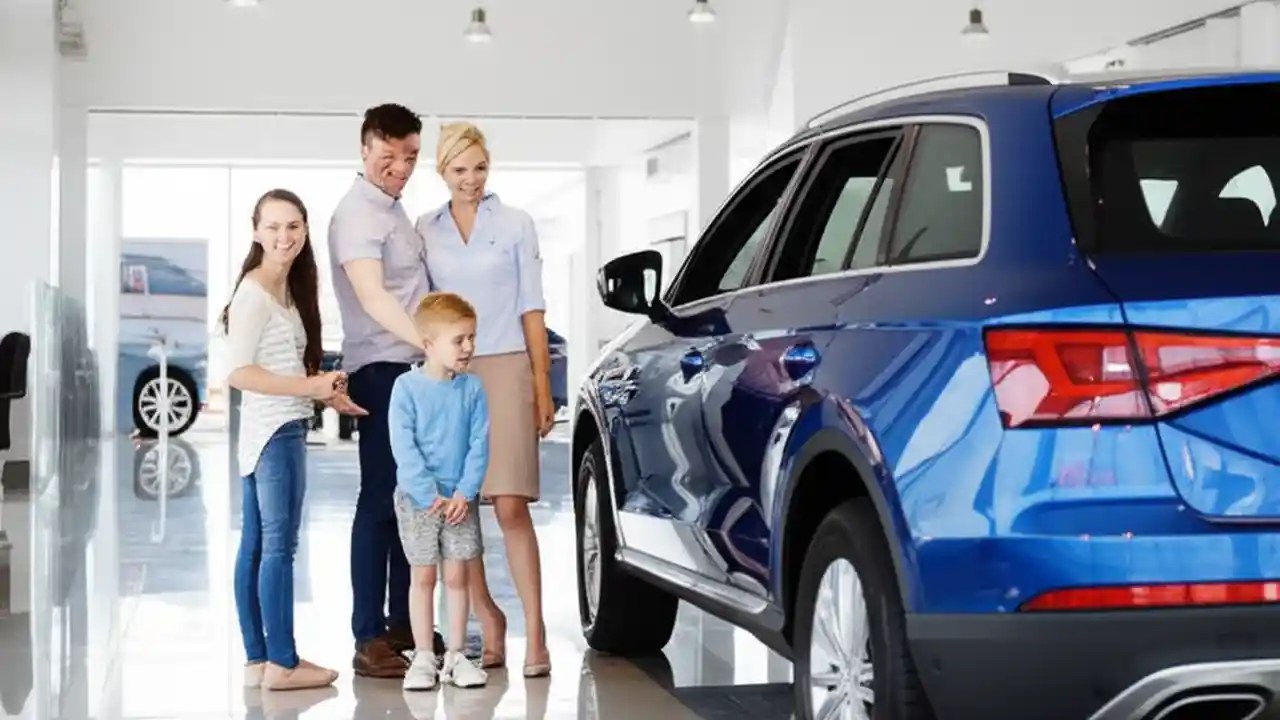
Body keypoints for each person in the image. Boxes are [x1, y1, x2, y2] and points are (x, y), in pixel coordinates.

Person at [416, 122, 553, 677]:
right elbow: (423, 309)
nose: (470, 180)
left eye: (479, 168)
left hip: (508, 365)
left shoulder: (517, 224)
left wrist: (543, 387)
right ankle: (487, 620)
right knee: (461, 508)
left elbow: (533, 310)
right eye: (459, 170)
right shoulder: (425, 229)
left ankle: (537, 634)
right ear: (442, 172)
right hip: (451, 375)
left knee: (512, 505)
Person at [223, 189, 364, 691]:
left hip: (277, 426)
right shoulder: (254, 293)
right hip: (273, 432)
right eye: (274, 226)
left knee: (260, 545)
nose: (284, 237)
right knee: (277, 547)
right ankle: (282, 662)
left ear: (305, 231)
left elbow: (281, 364)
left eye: (294, 227)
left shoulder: (285, 290)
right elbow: (238, 373)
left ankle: (259, 660)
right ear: (256, 231)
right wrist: (309, 388)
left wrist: (326, 395)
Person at [328, 102, 445, 678]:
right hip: (382, 370)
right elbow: (375, 298)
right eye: (389, 156)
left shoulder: (395, 212)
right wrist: (432, 343)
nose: (400, 167)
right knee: (379, 501)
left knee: (409, 499)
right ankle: (367, 635)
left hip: (411, 369)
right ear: (365, 148)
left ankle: (404, 622)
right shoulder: (358, 215)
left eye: (410, 157)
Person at [389, 292, 491, 691]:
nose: (468, 347)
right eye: (459, 340)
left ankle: (457, 655)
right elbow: (404, 446)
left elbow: (479, 444)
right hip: (420, 502)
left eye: (471, 338)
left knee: (457, 577)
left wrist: (464, 492)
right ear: (429, 344)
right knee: (423, 577)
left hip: (460, 501)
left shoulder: (473, 390)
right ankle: (424, 655)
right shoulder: (406, 388)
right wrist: (428, 494)